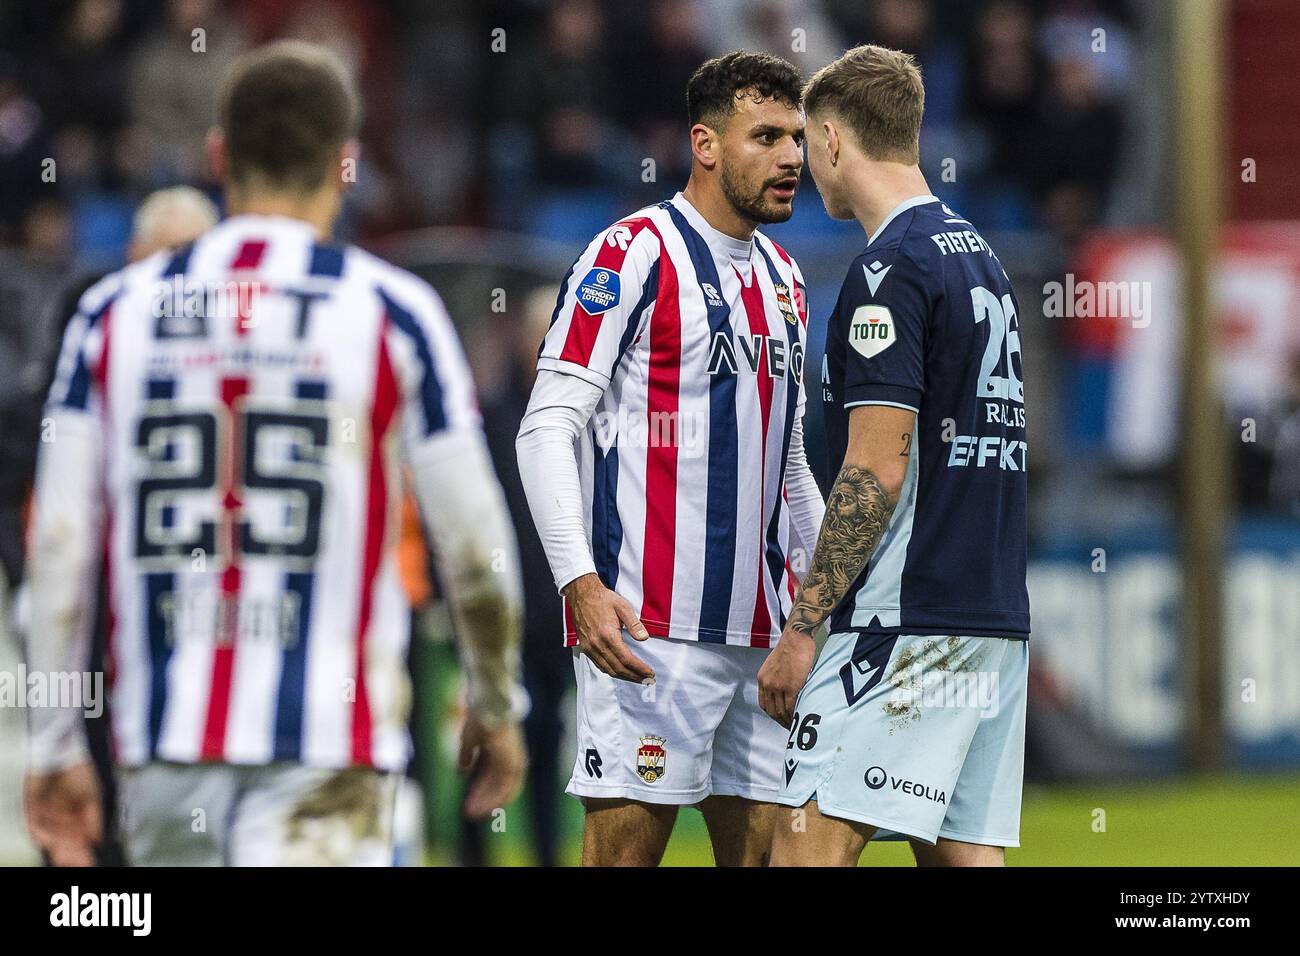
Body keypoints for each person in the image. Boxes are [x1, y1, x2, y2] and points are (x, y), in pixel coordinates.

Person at [23, 40, 527, 867]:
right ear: (347, 164)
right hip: (331, 744)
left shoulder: (111, 312)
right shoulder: (394, 312)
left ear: (218, 156)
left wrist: (50, 743)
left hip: (163, 746)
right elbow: (474, 537)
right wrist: (497, 700)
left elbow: (59, 544)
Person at [516, 51, 825, 867]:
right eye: (766, 135)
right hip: (650, 631)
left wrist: (825, 600)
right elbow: (546, 428)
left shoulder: (788, 278)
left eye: (796, 136)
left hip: (764, 635)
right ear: (706, 143)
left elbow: (789, 464)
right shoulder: (631, 255)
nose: (792, 156)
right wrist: (578, 584)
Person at [760, 45, 1031, 867]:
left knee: (800, 846)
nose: (804, 166)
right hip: (991, 619)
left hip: (903, 619)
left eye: (807, 143)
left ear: (835, 139)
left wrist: (803, 630)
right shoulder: (979, 254)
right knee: (964, 858)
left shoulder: (888, 270)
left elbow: (875, 468)